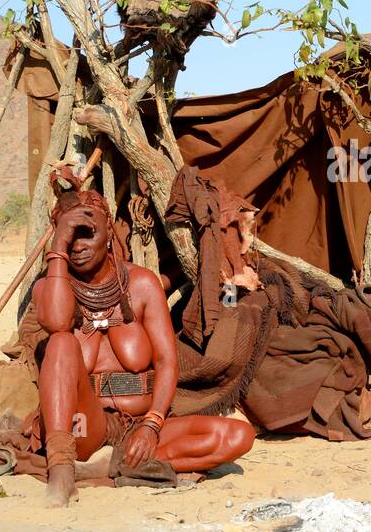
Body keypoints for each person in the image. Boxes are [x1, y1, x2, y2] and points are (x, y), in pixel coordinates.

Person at [32, 186, 254, 508]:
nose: (78, 247)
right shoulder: (52, 288)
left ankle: (106, 467)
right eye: (70, 237)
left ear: (109, 232)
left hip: (140, 425)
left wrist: (152, 424)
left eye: (86, 233)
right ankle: (63, 470)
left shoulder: (142, 284)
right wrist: (58, 247)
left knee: (237, 437)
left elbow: (166, 362)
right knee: (62, 341)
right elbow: (55, 323)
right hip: (85, 429)